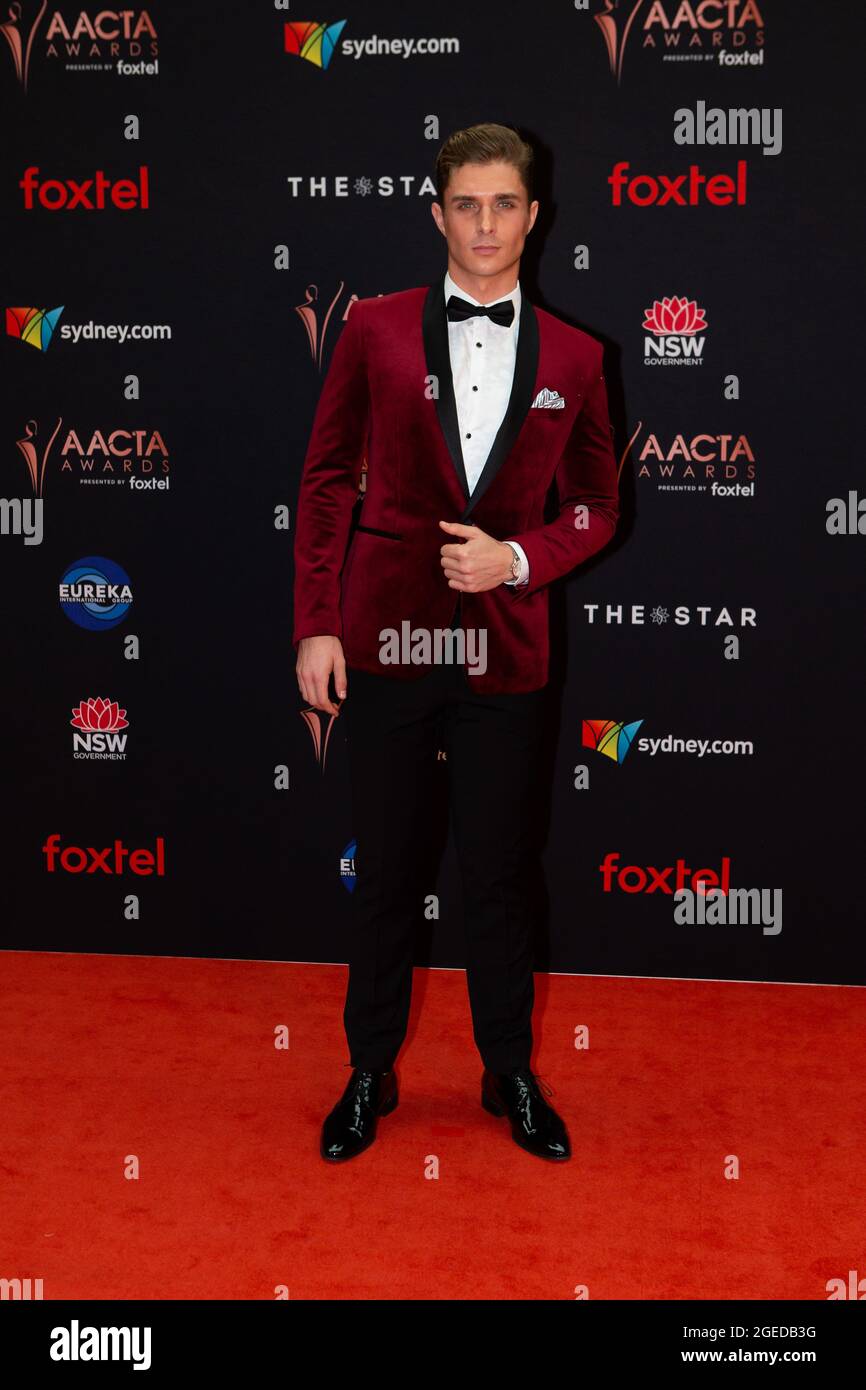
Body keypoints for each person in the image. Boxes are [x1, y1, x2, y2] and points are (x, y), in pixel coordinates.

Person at [293, 122, 620, 1163]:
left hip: (506, 652)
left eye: (504, 204)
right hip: (384, 640)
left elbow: (597, 509)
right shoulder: (373, 330)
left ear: (534, 215)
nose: (484, 224)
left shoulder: (578, 356)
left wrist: (516, 561)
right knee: (386, 869)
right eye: (465, 205)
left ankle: (507, 1073)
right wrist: (314, 622)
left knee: (499, 874)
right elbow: (320, 481)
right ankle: (367, 1070)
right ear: (436, 215)